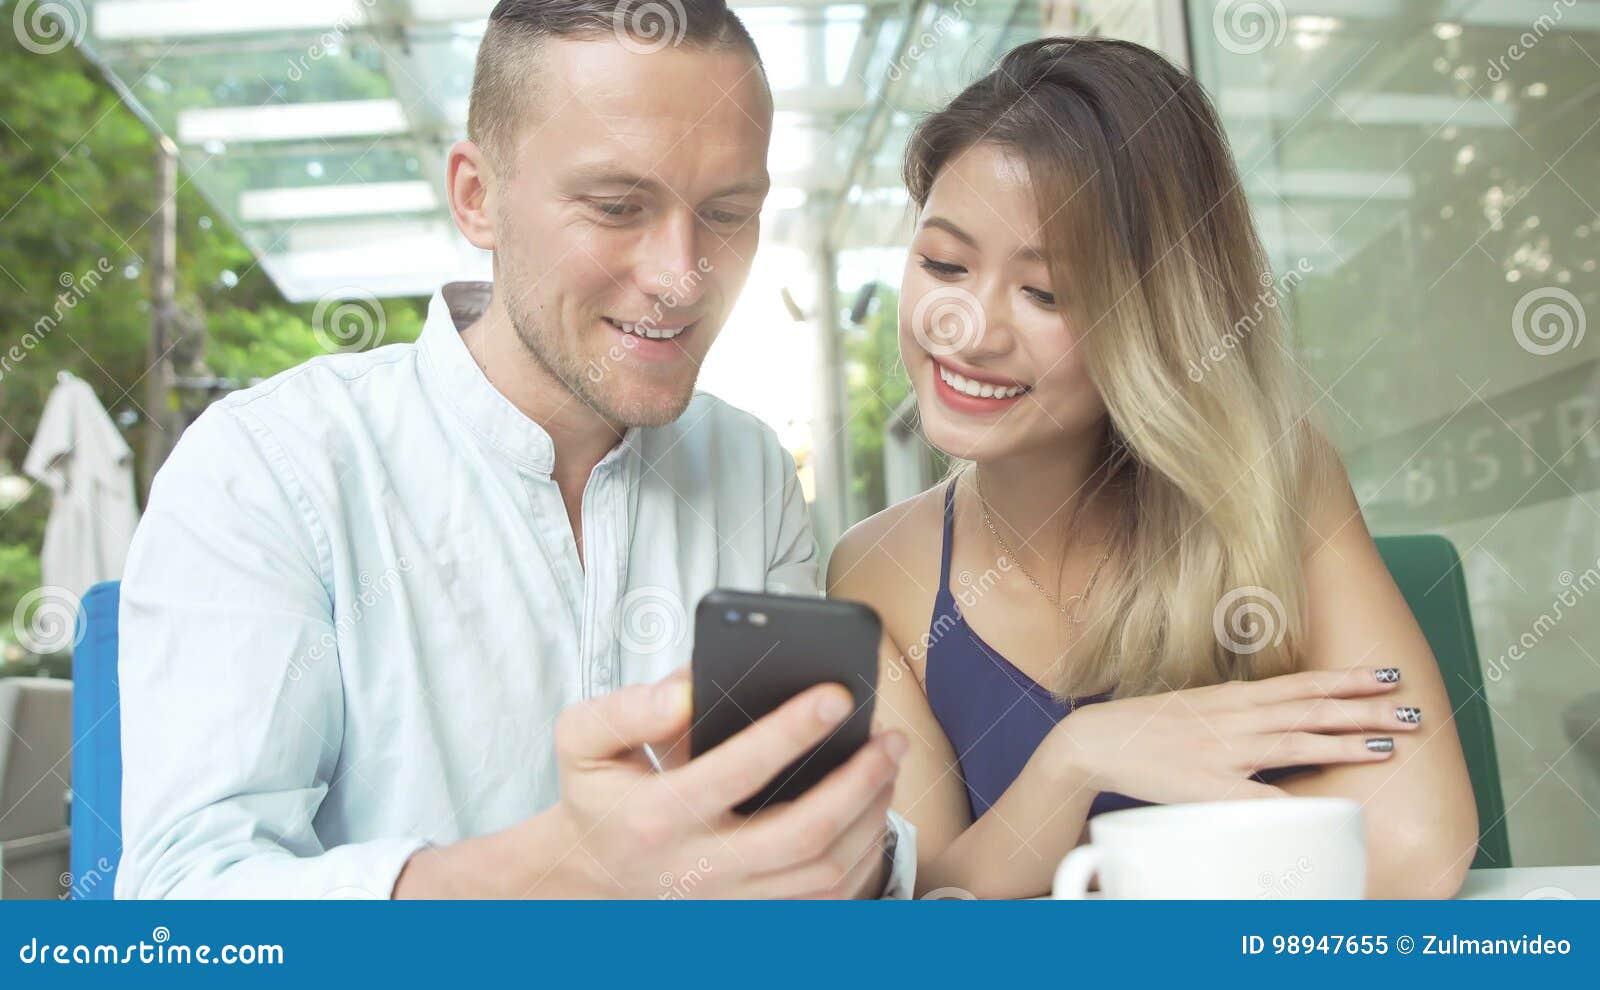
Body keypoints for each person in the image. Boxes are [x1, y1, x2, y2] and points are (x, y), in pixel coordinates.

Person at [115, 0, 914, 900]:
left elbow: (813, 827)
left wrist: (855, 848)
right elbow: (180, 907)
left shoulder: (748, 465)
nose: (679, 277)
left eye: (728, 212)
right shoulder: (266, 467)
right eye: (617, 207)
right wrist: (563, 875)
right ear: (477, 197)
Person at [827, 38, 1479, 899]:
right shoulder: (877, 571)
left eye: (1046, 293)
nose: (966, 329)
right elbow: (928, 904)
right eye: (944, 265)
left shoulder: (1274, 481)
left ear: (1160, 317)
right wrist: (1078, 758)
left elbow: (1414, 847)